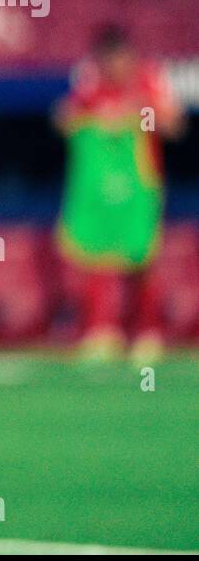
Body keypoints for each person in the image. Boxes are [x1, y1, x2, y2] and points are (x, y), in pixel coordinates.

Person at [54, 25, 185, 361]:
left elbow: (174, 126)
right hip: (101, 188)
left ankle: (146, 331)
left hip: (142, 183)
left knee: (141, 257)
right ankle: (101, 330)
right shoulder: (90, 82)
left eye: (119, 60)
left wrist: (137, 113)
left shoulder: (149, 80)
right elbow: (63, 119)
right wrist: (95, 118)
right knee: (97, 257)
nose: (114, 68)